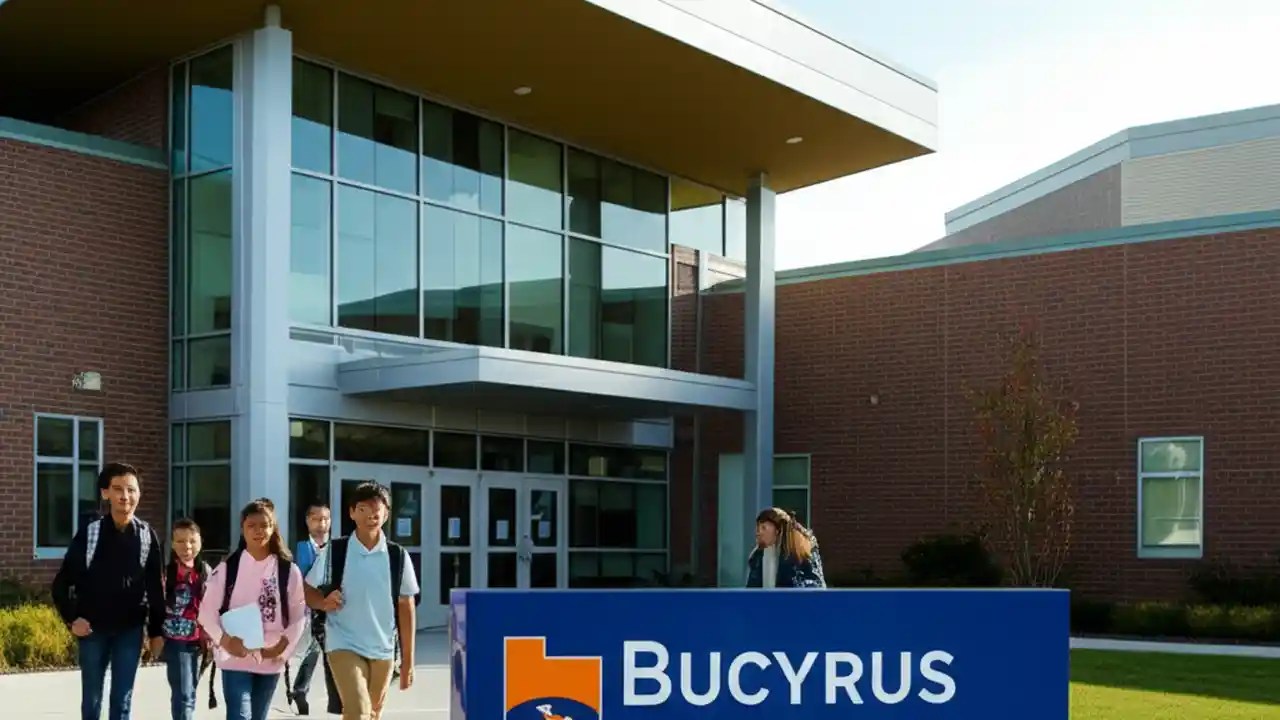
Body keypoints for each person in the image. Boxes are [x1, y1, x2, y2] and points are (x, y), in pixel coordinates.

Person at [52, 462, 166, 720]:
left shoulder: (147, 535)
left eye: (131, 490)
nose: (125, 496)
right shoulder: (90, 534)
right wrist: (72, 619)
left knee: (122, 700)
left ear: (139, 494)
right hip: (93, 630)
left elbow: (155, 588)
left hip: (130, 630)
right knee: (92, 701)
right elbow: (61, 584)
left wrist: (157, 631)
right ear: (105, 493)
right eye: (118, 489)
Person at [305, 482, 418, 720]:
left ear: (386, 514)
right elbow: (306, 589)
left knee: (372, 714)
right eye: (364, 509)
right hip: (343, 642)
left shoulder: (397, 556)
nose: (371, 515)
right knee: (357, 710)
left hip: (383, 648)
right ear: (352, 512)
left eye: (377, 510)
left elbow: (406, 608)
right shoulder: (336, 551)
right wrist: (324, 602)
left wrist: (408, 661)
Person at [198, 499, 308, 720]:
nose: (258, 531)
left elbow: (299, 615)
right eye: (251, 525)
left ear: (273, 527)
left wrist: (282, 647)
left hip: (271, 659)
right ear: (242, 529)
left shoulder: (288, 570)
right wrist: (226, 641)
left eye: (264, 525)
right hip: (234, 658)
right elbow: (206, 613)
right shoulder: (228, 568)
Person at [288, 502, 340, 716]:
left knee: (320, 649)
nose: (322, 523)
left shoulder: (337, 547)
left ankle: (302, 690)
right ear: (308, 521)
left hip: (329, 607)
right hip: (307, 605)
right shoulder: (299, 547)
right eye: (317, 519)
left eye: (326, 519)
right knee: (320, 650)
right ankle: (331, 700)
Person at [162, 518, 212, 720]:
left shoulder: (206, 572)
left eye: (192, 541)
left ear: (200, 542)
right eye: (180, 541)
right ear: (173, 544)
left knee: (189, 692)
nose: (187, 546)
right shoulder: (167, 573)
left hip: (198, 642)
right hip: (175, 641)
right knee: (183, 695)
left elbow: (212, 606)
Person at [746, 507, 827, 588]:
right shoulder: (757, 557)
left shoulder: (800, 554)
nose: (758, 533)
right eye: (758, 528)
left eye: (763, 528)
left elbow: (816, 585)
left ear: (777, 530)